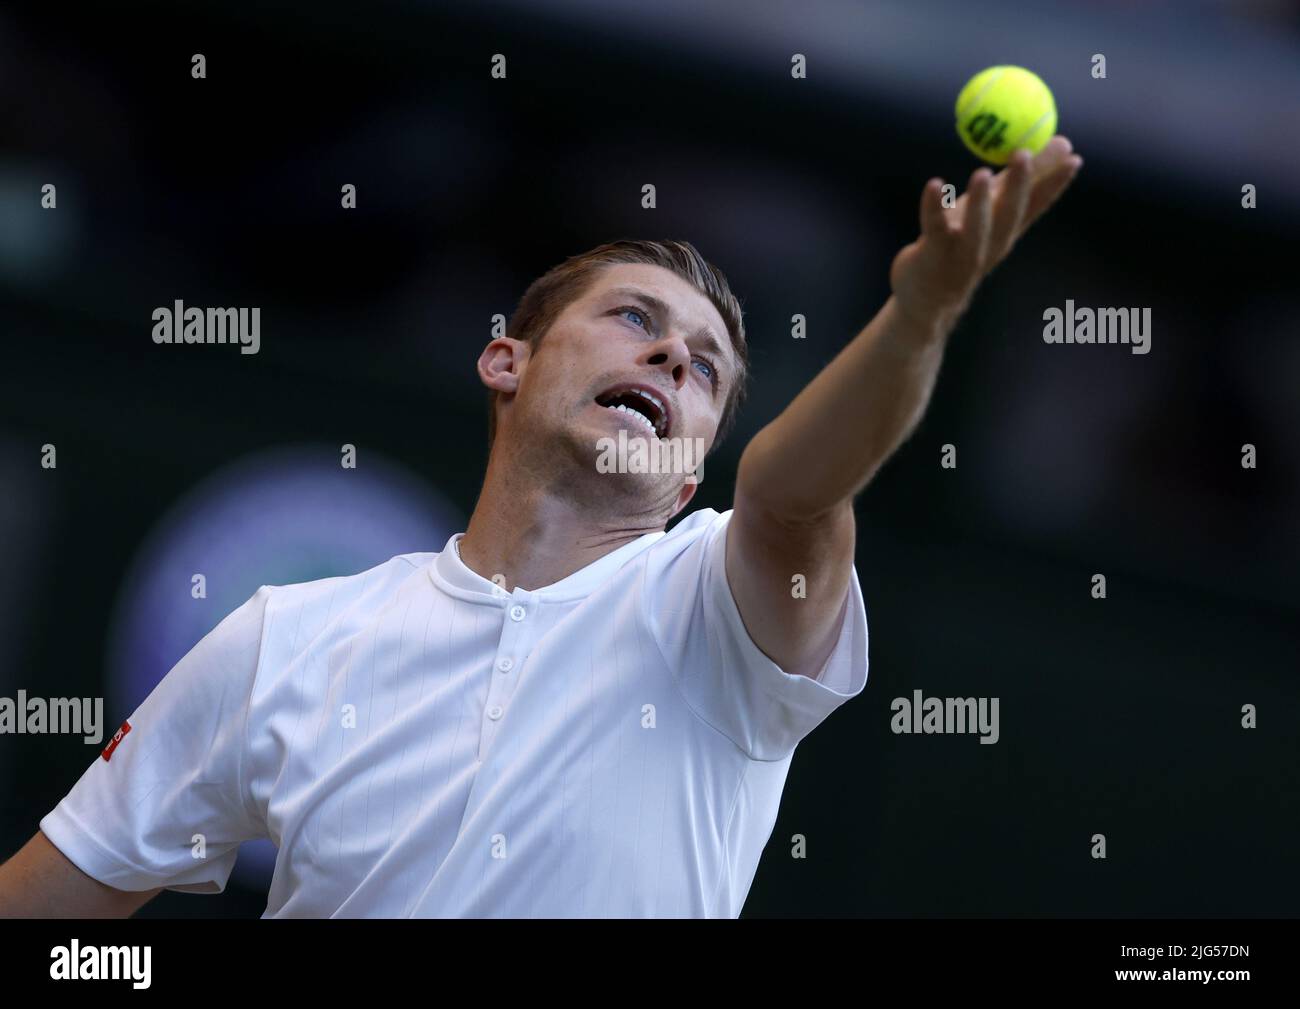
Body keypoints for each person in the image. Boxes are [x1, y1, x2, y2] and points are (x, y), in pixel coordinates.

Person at [0, 139, 1082, 918]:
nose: (670, 358)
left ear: (693, 462)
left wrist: (921, 315)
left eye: (704, 368)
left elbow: (794, 496)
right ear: (505, 360)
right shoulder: (284, 635)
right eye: (634, 320)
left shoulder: (719, 607)